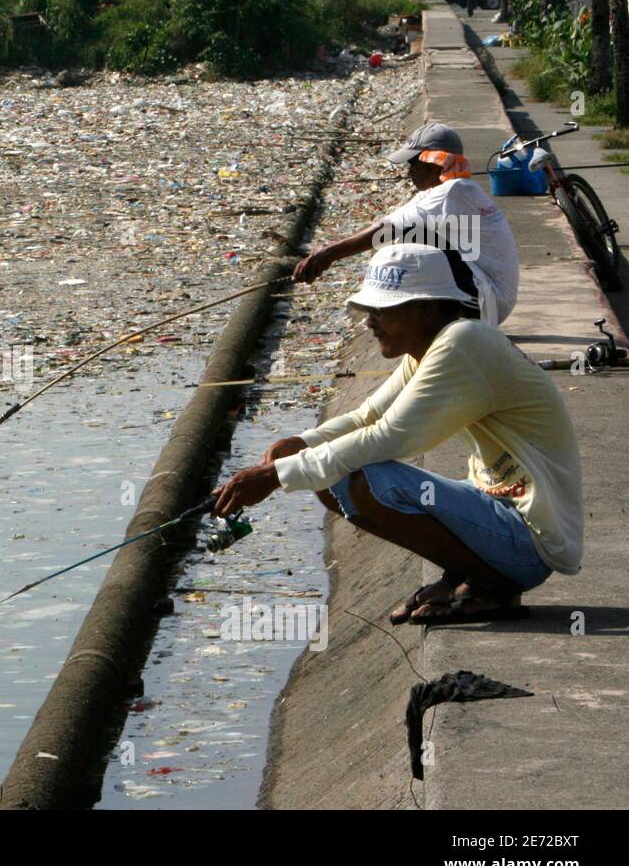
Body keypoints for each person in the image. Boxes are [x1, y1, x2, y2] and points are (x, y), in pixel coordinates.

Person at [212, 246, 583, 624]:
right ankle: (469, 574)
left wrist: (277, 475)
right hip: (498, 513)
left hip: (529, 541)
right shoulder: (427, 349)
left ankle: (493, 585)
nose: (369, 323)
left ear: (424, 309)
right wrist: (302, 445)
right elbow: (368, 416)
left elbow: (389, 436)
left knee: (368, 480)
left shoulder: (463, 343)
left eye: (381, 312)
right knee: (330, 474)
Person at [293, 122, 519, 326]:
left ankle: (434, 319)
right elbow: (391, 220)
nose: (409, 172)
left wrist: (329, 254)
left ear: (434, 164)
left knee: (408, 242)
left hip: (486, 303)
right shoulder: (447, 191)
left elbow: (386, 231)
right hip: (490, 298)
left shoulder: (452, 192)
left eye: (413, 164)